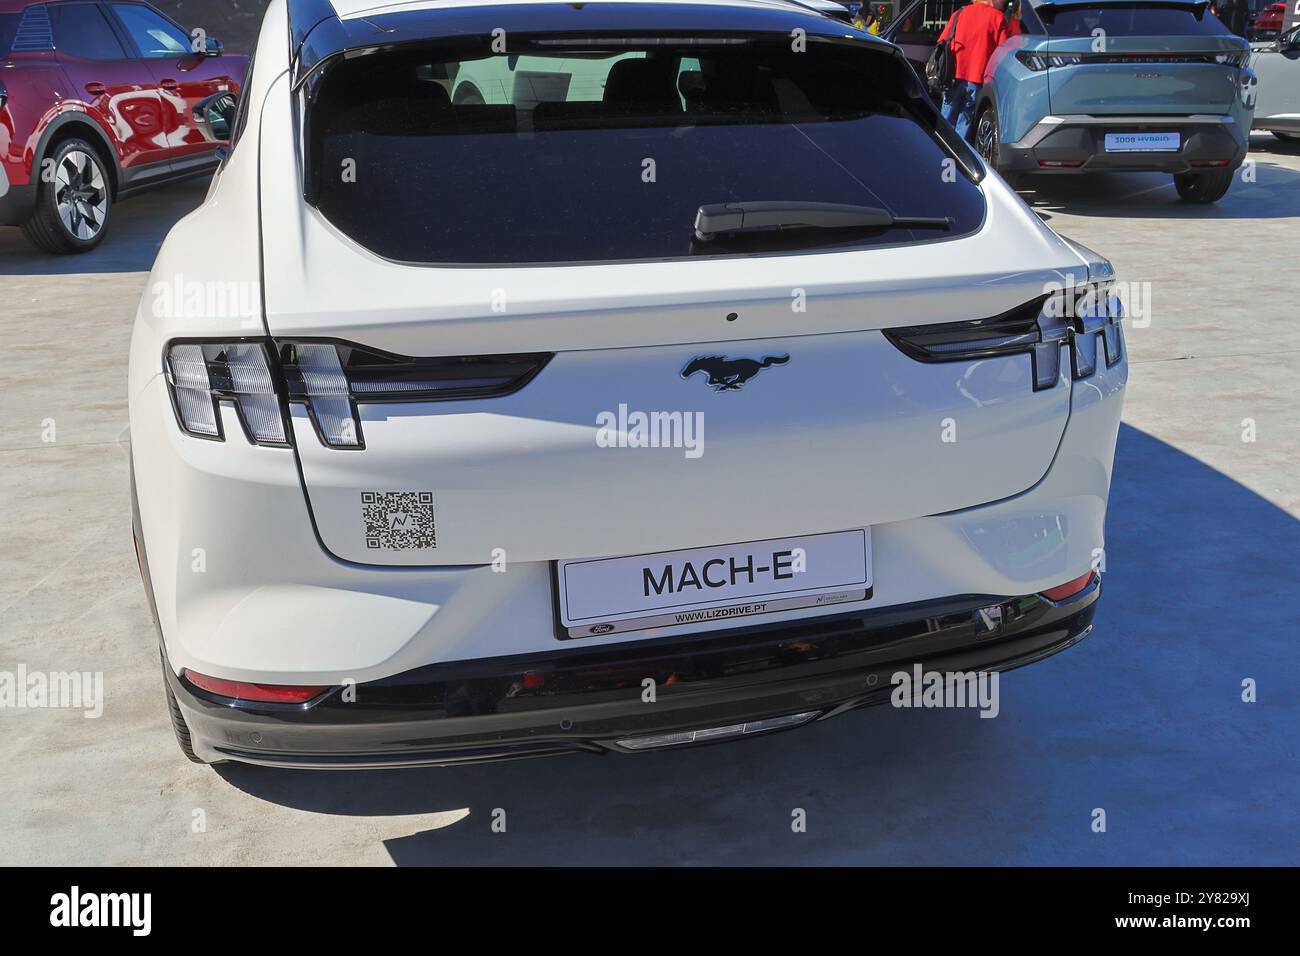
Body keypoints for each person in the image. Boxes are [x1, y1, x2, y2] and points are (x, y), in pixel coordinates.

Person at [937, 0, 1011, 140]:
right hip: (977, 78)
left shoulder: (959, 13)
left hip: (952, 76)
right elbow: (1003, 53)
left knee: (945, 120)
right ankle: (958, 157)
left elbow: (942, 41)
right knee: (964, 122)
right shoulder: (998, 18)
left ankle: (939, 153)